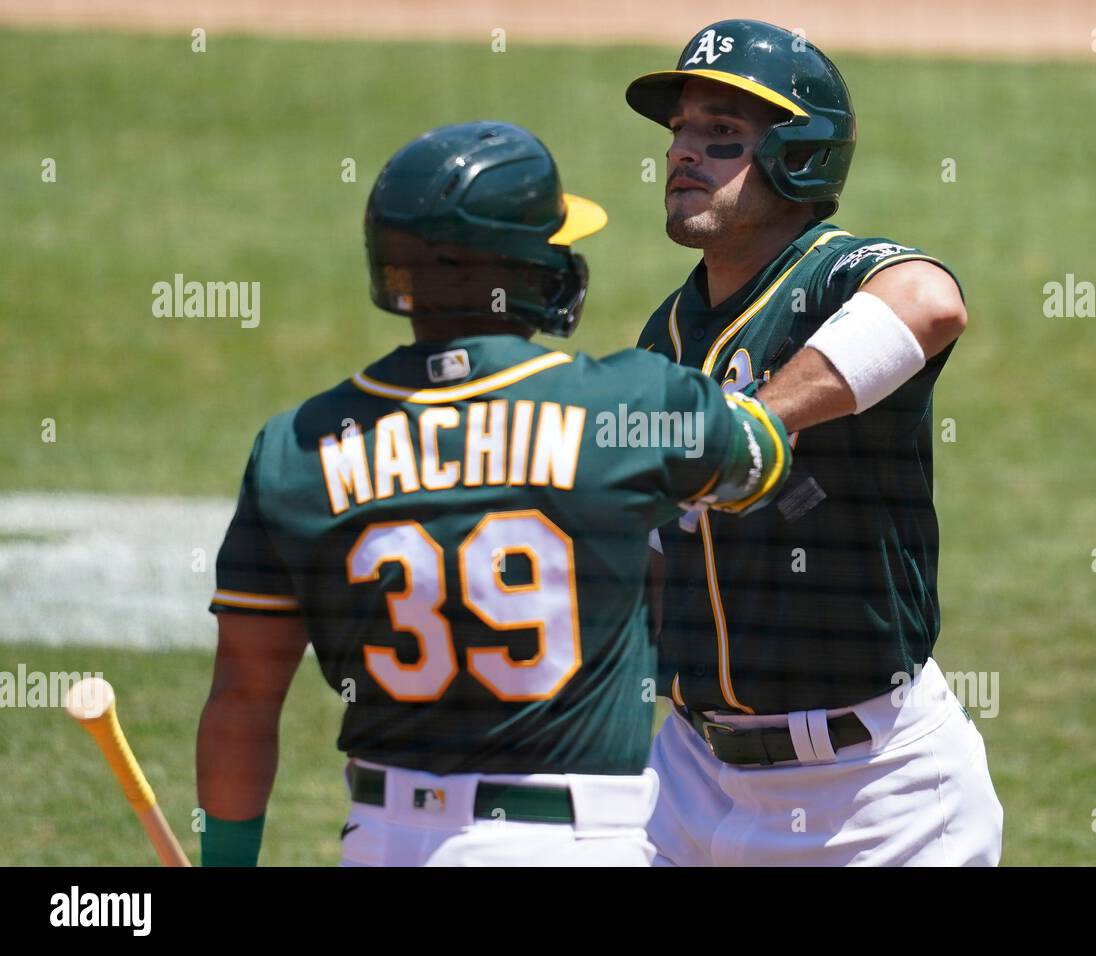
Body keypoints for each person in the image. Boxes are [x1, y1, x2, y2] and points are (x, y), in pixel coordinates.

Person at [195, 121, 791, 867]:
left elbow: (245, 700)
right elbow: (763, 457)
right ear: (525, 268)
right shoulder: (630, 407)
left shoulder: (296, 448)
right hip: (573, 846)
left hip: (384, 842)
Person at [627, 19, 1004, 865]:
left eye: (722, 136)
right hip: (687, 779)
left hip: (872, 796)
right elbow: (659, 560)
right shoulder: (670, 334)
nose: (684, 153)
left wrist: (761, 420)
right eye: (682, 131)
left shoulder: (832, 275)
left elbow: (931, 300)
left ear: (801, 157)